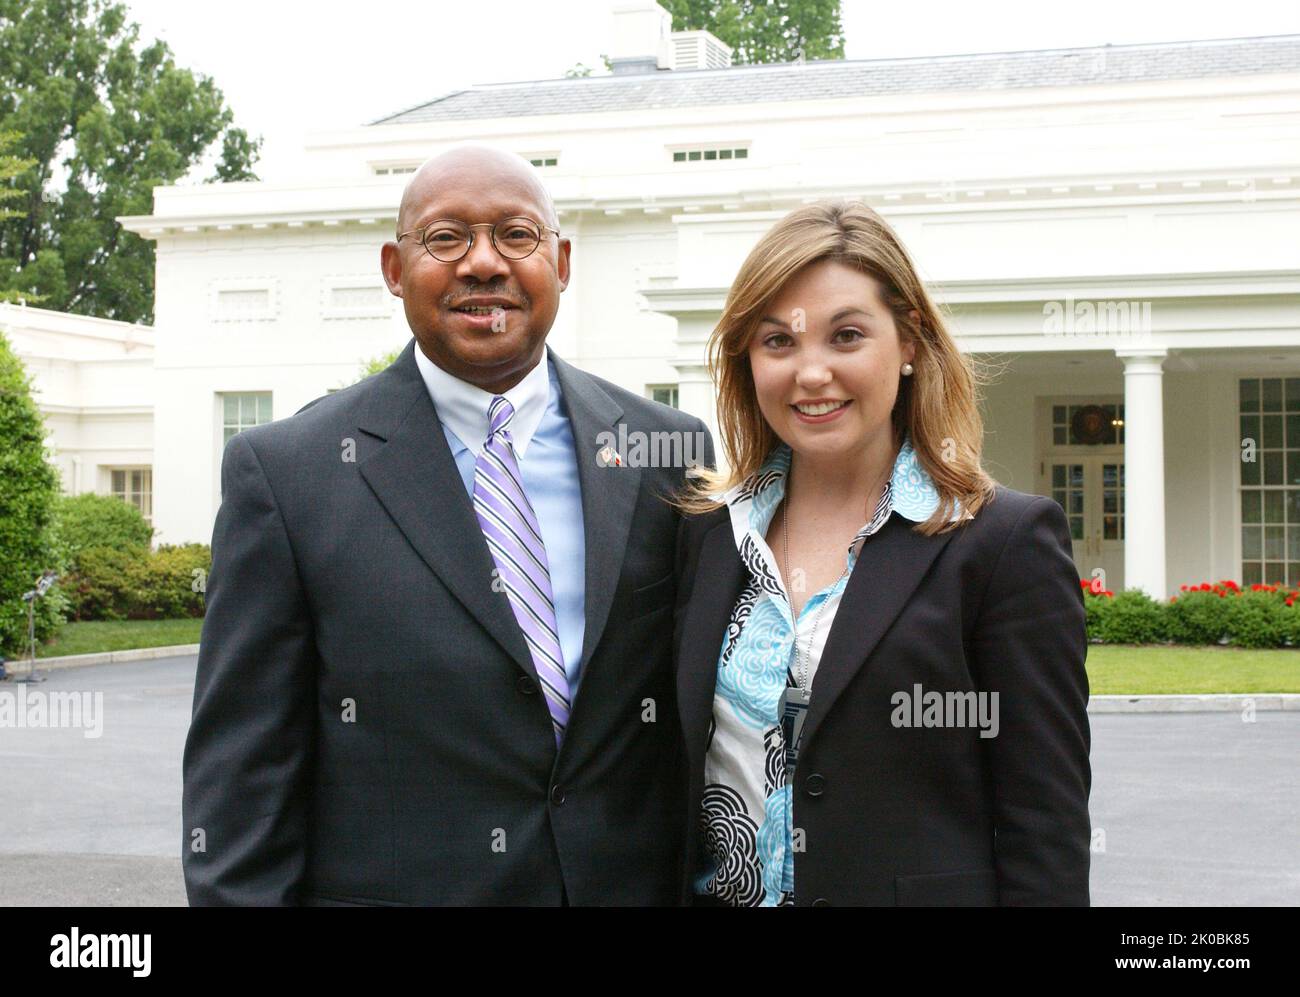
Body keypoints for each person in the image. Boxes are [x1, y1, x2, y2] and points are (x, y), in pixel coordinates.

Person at [182, 145, 712, 905]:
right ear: (396, 270)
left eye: (516, 235)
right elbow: (242, 778)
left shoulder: (668, 451)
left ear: (560, 261)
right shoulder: (289, 474)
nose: (483, 263)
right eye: (445, 238)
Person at [672, 199, 1091, 906]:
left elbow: (1042, 824)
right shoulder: (709, 533)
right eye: (778, 341)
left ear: (908, 343)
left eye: (846, 336)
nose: (810, 372)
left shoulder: (1002, 544)